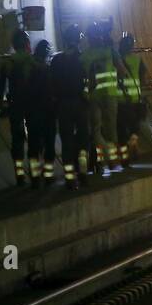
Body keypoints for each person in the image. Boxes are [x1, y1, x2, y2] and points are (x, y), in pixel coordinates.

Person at [50, 23, 89, 190]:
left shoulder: (56, 60)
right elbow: (88, 82)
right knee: (82, 140)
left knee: (66, 141)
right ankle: (83, 174)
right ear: (78, 40)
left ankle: (70, 179)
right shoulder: (82, 59)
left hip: (63, 105)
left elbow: (51, 84)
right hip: (80, 104)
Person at [84, 20, 123, 175]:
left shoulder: (84, 55)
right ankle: (113, 161)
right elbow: (122, 71)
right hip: (111, 96)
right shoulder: (110, 51)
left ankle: (100, 163)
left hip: (93, 97)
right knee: (111, 130)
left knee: (96, 131)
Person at [0, 29, 33, 186]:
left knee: (17, 141)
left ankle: (19, 176)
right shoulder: (32, 61)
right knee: (35, 140)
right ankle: (35, 173)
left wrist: (1, 104)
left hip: (15, 106)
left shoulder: (8, 63)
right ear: (26, 43)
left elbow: (0, 87)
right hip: (32, 106)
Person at [117, 32, 152, 164]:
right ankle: (133, 141)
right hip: (135, 99)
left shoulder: (116, 60)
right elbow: (143, 79)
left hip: (120, 100)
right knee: (134, 126)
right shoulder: (138, 60)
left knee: (121, 130)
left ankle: (124, 157)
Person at [26, 40, 56, 188]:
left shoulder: (30, 69)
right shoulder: (47, 70)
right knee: (49, 145)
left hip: (33, 114)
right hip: (47, 113)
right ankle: (48, 176)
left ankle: (35, 178)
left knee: (34, 147)